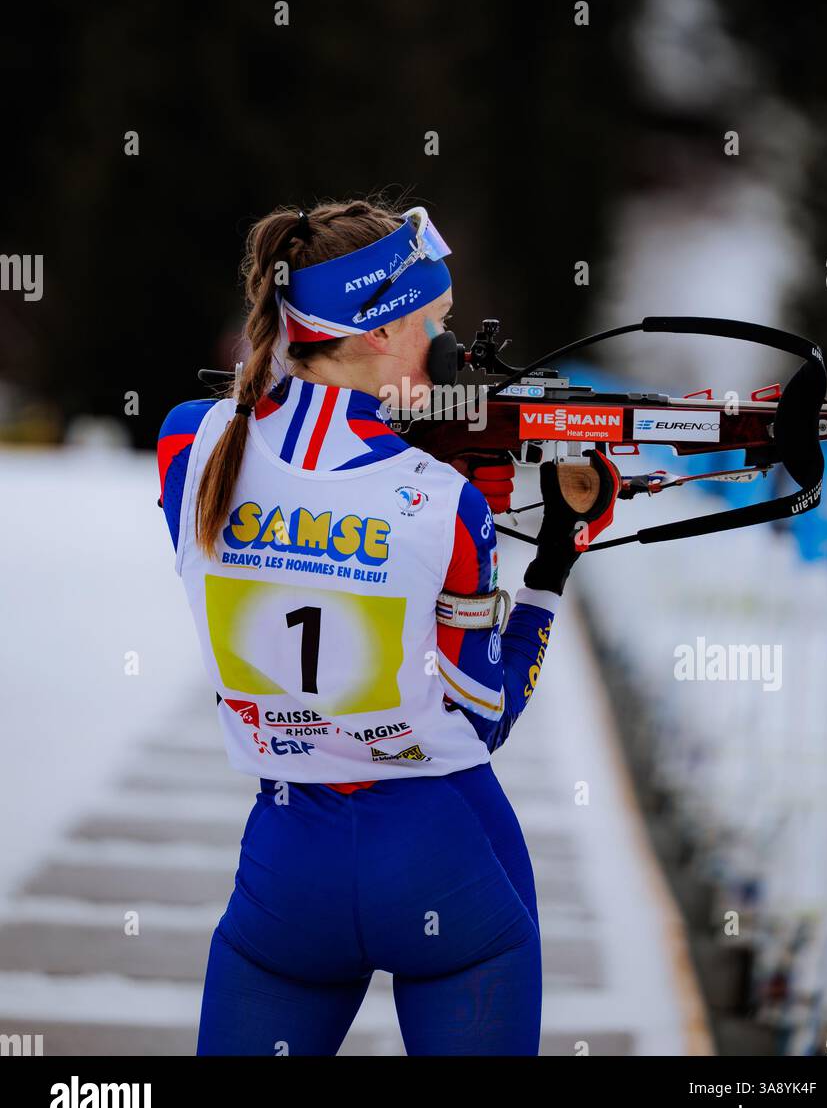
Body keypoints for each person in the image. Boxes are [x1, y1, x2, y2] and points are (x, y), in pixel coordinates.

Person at [157, 197, 620, 1056]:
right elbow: (487, 712)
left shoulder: (192, 448)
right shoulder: (441, 502)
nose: (448, 355)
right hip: (444, 853)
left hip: (286, 866)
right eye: (437, 327)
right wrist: (555, 555)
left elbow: (301, 478)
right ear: (379, 331)